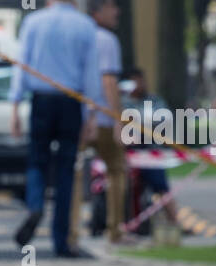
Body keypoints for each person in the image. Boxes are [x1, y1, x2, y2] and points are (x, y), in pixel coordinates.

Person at [9, 0, 103, 259]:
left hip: (41, 99)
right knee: (66, 171)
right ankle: (61, 241)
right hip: (70, 102)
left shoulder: (33, 22)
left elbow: (22, 64)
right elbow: (91, 74)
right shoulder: (85, 26)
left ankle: (35, 205)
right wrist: (91, 115)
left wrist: (15, 106)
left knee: (36, 161)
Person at [88, 0, 131, 246]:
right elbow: (108, 81)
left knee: (74, 172)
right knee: (117, 170)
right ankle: (115, 230)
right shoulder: (106, 40)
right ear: (98, 10)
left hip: (82, 115)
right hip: (103, 118)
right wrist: (118, 119)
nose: (117, 11)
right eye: (112, 6)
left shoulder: (80, 36)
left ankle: (71, 233)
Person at [126, 67, 182, 228]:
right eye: (134, 81)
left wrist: (136, 121)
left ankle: (174, 222)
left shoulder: (154, 100)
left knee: (161, 187)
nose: (138, 85)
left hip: (150, 153)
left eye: (140, 81)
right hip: (127, 153)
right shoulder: (122, 101)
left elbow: (164, 117)